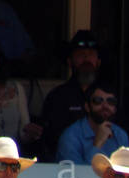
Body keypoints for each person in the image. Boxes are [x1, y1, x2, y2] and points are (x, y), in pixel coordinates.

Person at [37, 31, 99, 161]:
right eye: (81, 55)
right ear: (70, 62)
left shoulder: (108, 97)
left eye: (91, 54)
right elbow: (49, 142)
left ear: (98, 62)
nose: (87, 59)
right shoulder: (57, 97)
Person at [56, 83, 129, 165]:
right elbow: (76, 175)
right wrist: (98, 144)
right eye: (98, 101)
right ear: (87, 107)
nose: (105, 106)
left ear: (115, 109)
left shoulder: (120, 135)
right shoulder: (70, 137)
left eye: (110, 101)